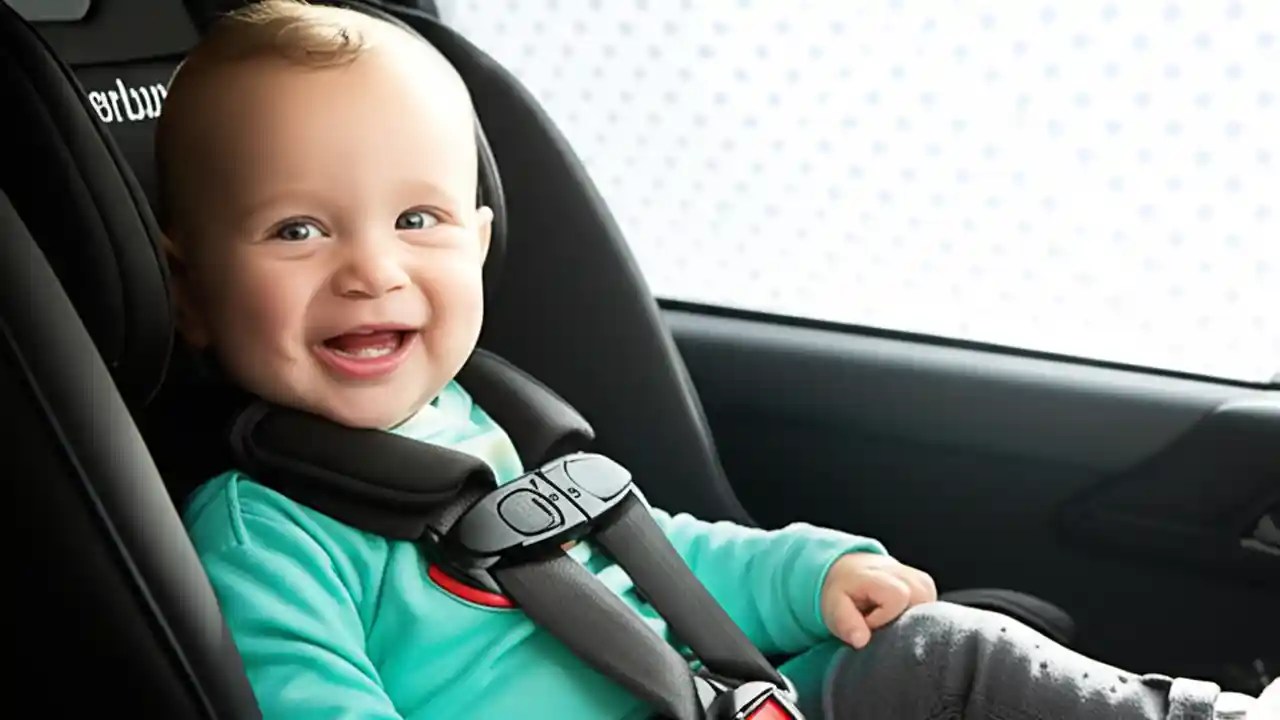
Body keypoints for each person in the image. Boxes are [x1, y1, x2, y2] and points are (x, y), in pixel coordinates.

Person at [155, 2, 1262, 718]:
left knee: (940, 651)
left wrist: (806, 575)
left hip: (720, 696)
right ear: (190, 291)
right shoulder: (265, 530)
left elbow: (648, 558)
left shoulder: (478, 418)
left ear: (480, 243)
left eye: (418, 221)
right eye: (297, 232)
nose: (370, 271)